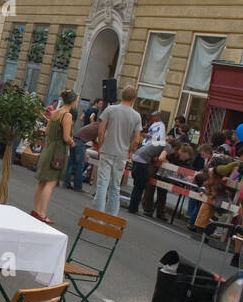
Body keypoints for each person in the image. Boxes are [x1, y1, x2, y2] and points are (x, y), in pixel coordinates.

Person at [93, 86, 143, 217]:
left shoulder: (110, 109)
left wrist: (101, 144)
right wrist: (129, 149)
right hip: (122, 153)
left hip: (107, 149)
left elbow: (101, 130)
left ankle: (98, 214)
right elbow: (137, 139)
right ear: (134, 98)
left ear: (122, 95)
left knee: (102, 183)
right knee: (115, 186)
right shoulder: (137, 116)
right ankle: (111, 215)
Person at [32, 91, 77, 224]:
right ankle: (43, 213)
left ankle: (36, 210)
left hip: (48, 148)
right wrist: (72, 142)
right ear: (73, 101)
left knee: (42, 181)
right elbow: (66, 137)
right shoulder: (67, 115)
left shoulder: (55, 113)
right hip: (57, 151)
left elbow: (46, 131)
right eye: (77, 101)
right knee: (51, 182)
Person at [129, 137, 175, 217]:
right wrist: (166, 161)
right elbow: (161, 158)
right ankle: (133, 208)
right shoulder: (168, 146)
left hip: (136, 157)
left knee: (137, 185)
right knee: (140, 186)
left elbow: (154, 156)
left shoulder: (159, 142)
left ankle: (132, 207)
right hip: (143, 161)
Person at [65, 119, 99, 191]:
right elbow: (97, 140)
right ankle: (77, 186)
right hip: (80, 142)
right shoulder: (99, 127)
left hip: (74, 139)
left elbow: (93, 138)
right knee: (79, 165)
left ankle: (66, 182)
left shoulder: (94, 125)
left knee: (71, 163)